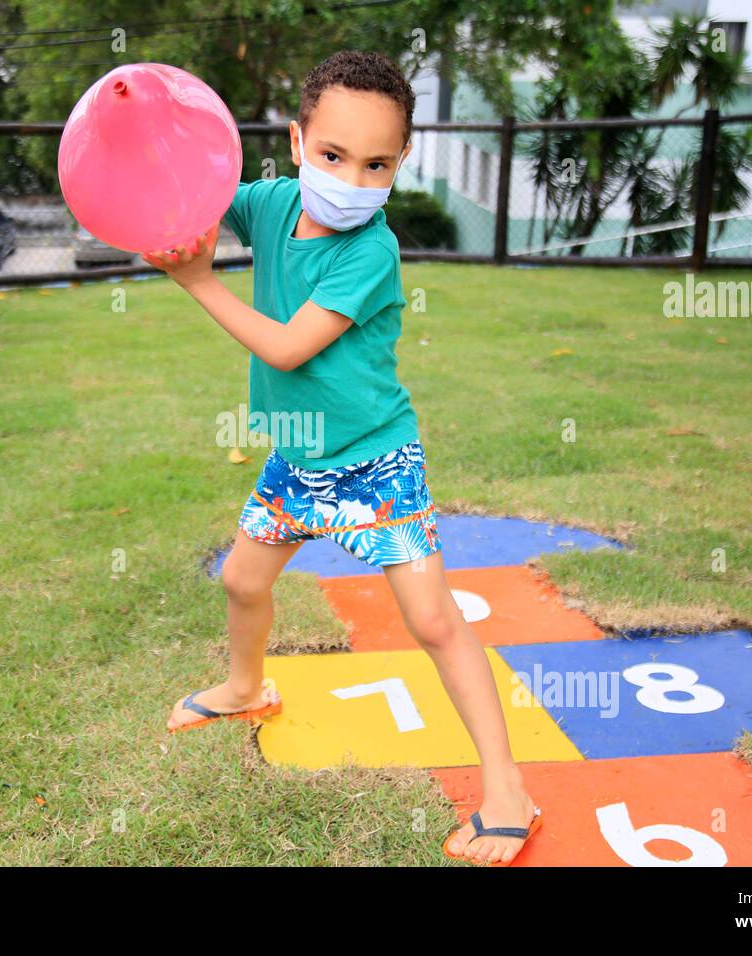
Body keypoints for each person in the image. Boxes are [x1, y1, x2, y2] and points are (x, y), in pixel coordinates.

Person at [143, 50, 540, 866]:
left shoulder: (371, 253)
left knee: (433, 620)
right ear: (296, 142)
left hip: (375, 461)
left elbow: (289, 349)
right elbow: (195, 199)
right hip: (298, 457)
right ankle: (248, 689)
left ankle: (509, 791)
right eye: (332, 156)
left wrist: (199, 283)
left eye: (376, 165)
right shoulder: (271, 205)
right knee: (243, 580)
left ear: (399, 166)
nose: (351, 179)